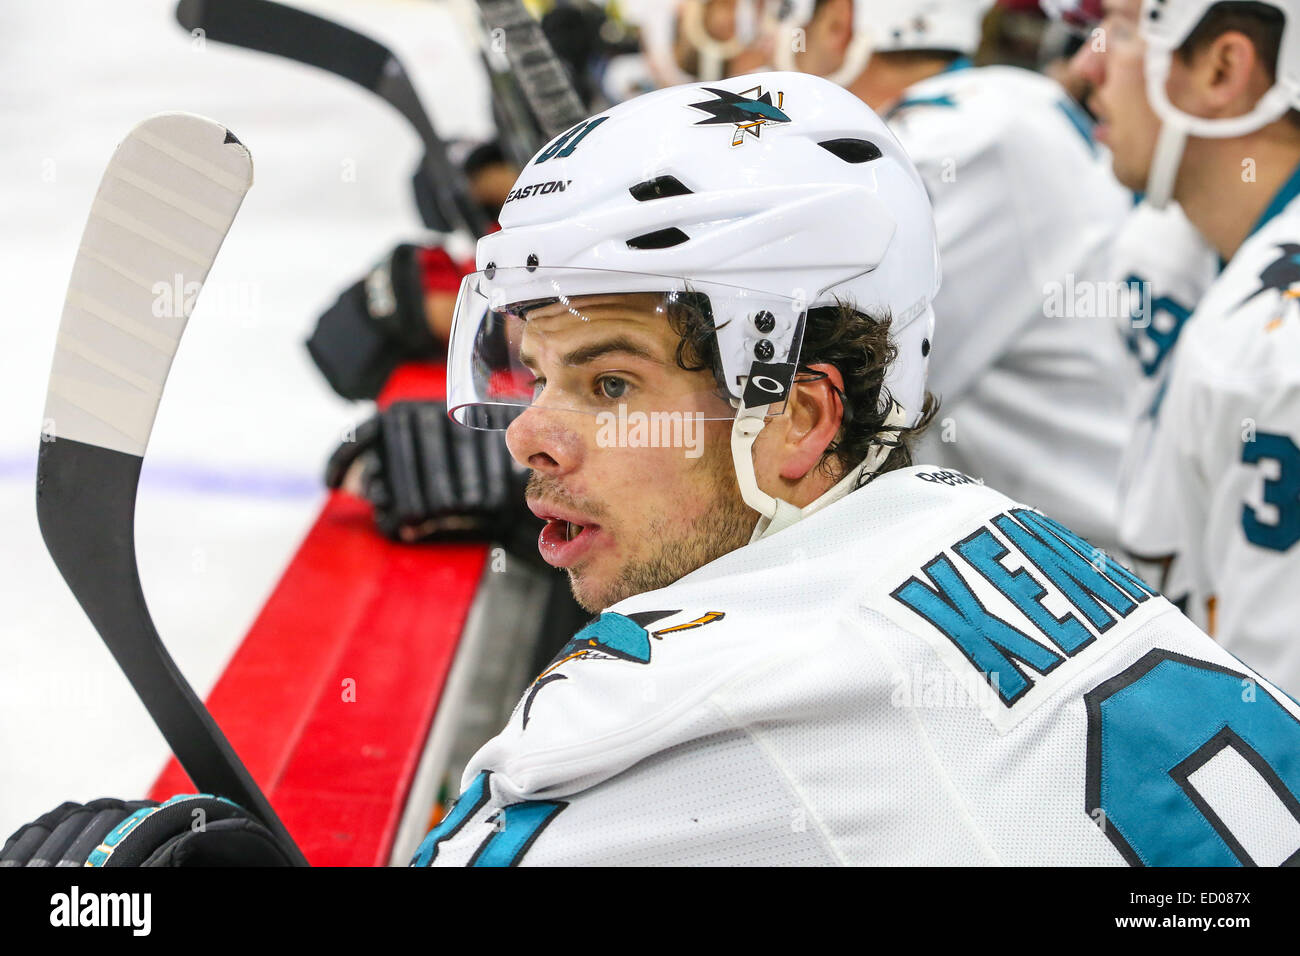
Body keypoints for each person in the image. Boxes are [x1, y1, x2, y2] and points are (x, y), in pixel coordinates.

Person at [406, 71, 1300, 865]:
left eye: (609, 382)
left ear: (799, 419)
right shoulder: (1015, 535)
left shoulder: (656, 709)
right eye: (536, 375)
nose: (527, 436)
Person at [768, 0, 1133, 553]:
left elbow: (827, 377)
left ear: (841, 22)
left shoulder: (964, 137)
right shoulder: (1001, 104)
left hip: (1089, 576)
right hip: (1047, 556)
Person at [1068, 0, 1300, 696]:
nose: (1088, 65)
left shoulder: (1271, 350)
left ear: (1225, 69)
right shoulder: (1168, 246)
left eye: (1127, 30)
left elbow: (1274, 719)